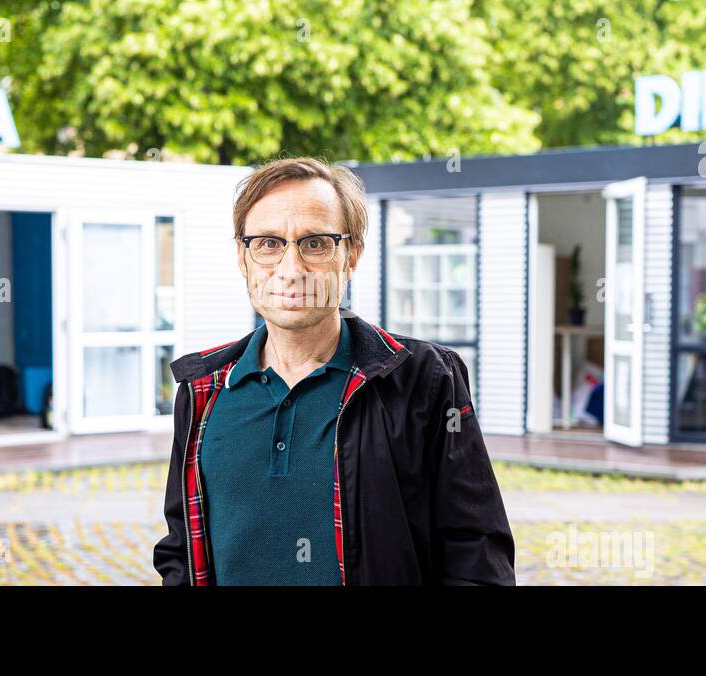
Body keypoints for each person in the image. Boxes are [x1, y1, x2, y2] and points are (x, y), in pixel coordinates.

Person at [153, 158, 514, 586]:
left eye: (315, 243)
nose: (290, 269)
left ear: (351, 255)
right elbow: (180, 550)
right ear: (242, 257)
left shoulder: (426, 380)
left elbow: (477, 555)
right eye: (268, 244)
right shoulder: (202, 392)